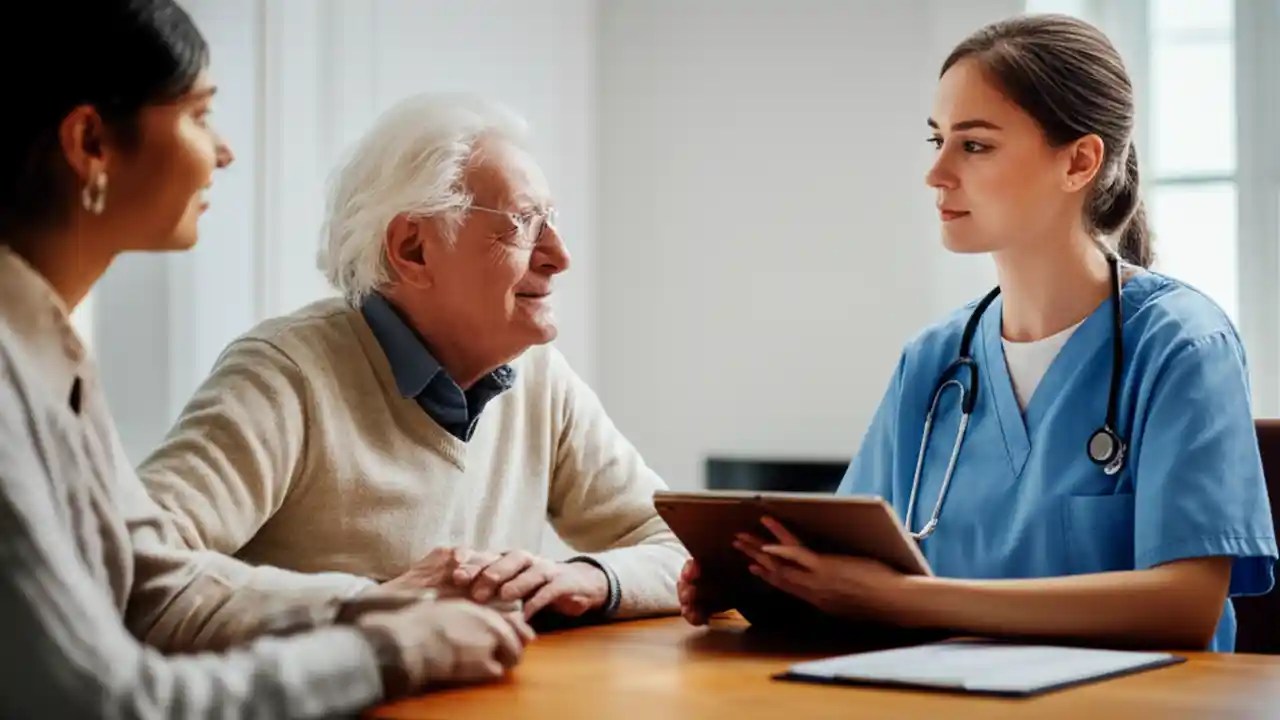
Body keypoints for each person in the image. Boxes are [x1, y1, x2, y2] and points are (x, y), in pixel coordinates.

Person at [680, 13, 1277, 652]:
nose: (936, 173)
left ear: (1079, 161)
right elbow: (854, 572)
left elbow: (1183, 606)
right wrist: (769, 581)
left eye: (974, 145)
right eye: (936, 139)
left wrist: (908, 601)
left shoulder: (1182, 346)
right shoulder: (935, 361)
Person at [0, 2, 531, 716]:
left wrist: (378, 606)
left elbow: (155, 583)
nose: (223, 152)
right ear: (91, 141)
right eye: (198, 115)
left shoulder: (47, 349)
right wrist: (389, 651)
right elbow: (106, 700)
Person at [134, 92, 687, 625]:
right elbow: (134, 570)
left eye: (552, 220)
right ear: (413, 249)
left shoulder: (541, 379)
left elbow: (681, 549)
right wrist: (370, 605)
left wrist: (592, 578)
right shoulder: (284, 376)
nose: (559, 256)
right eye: (522, 222)